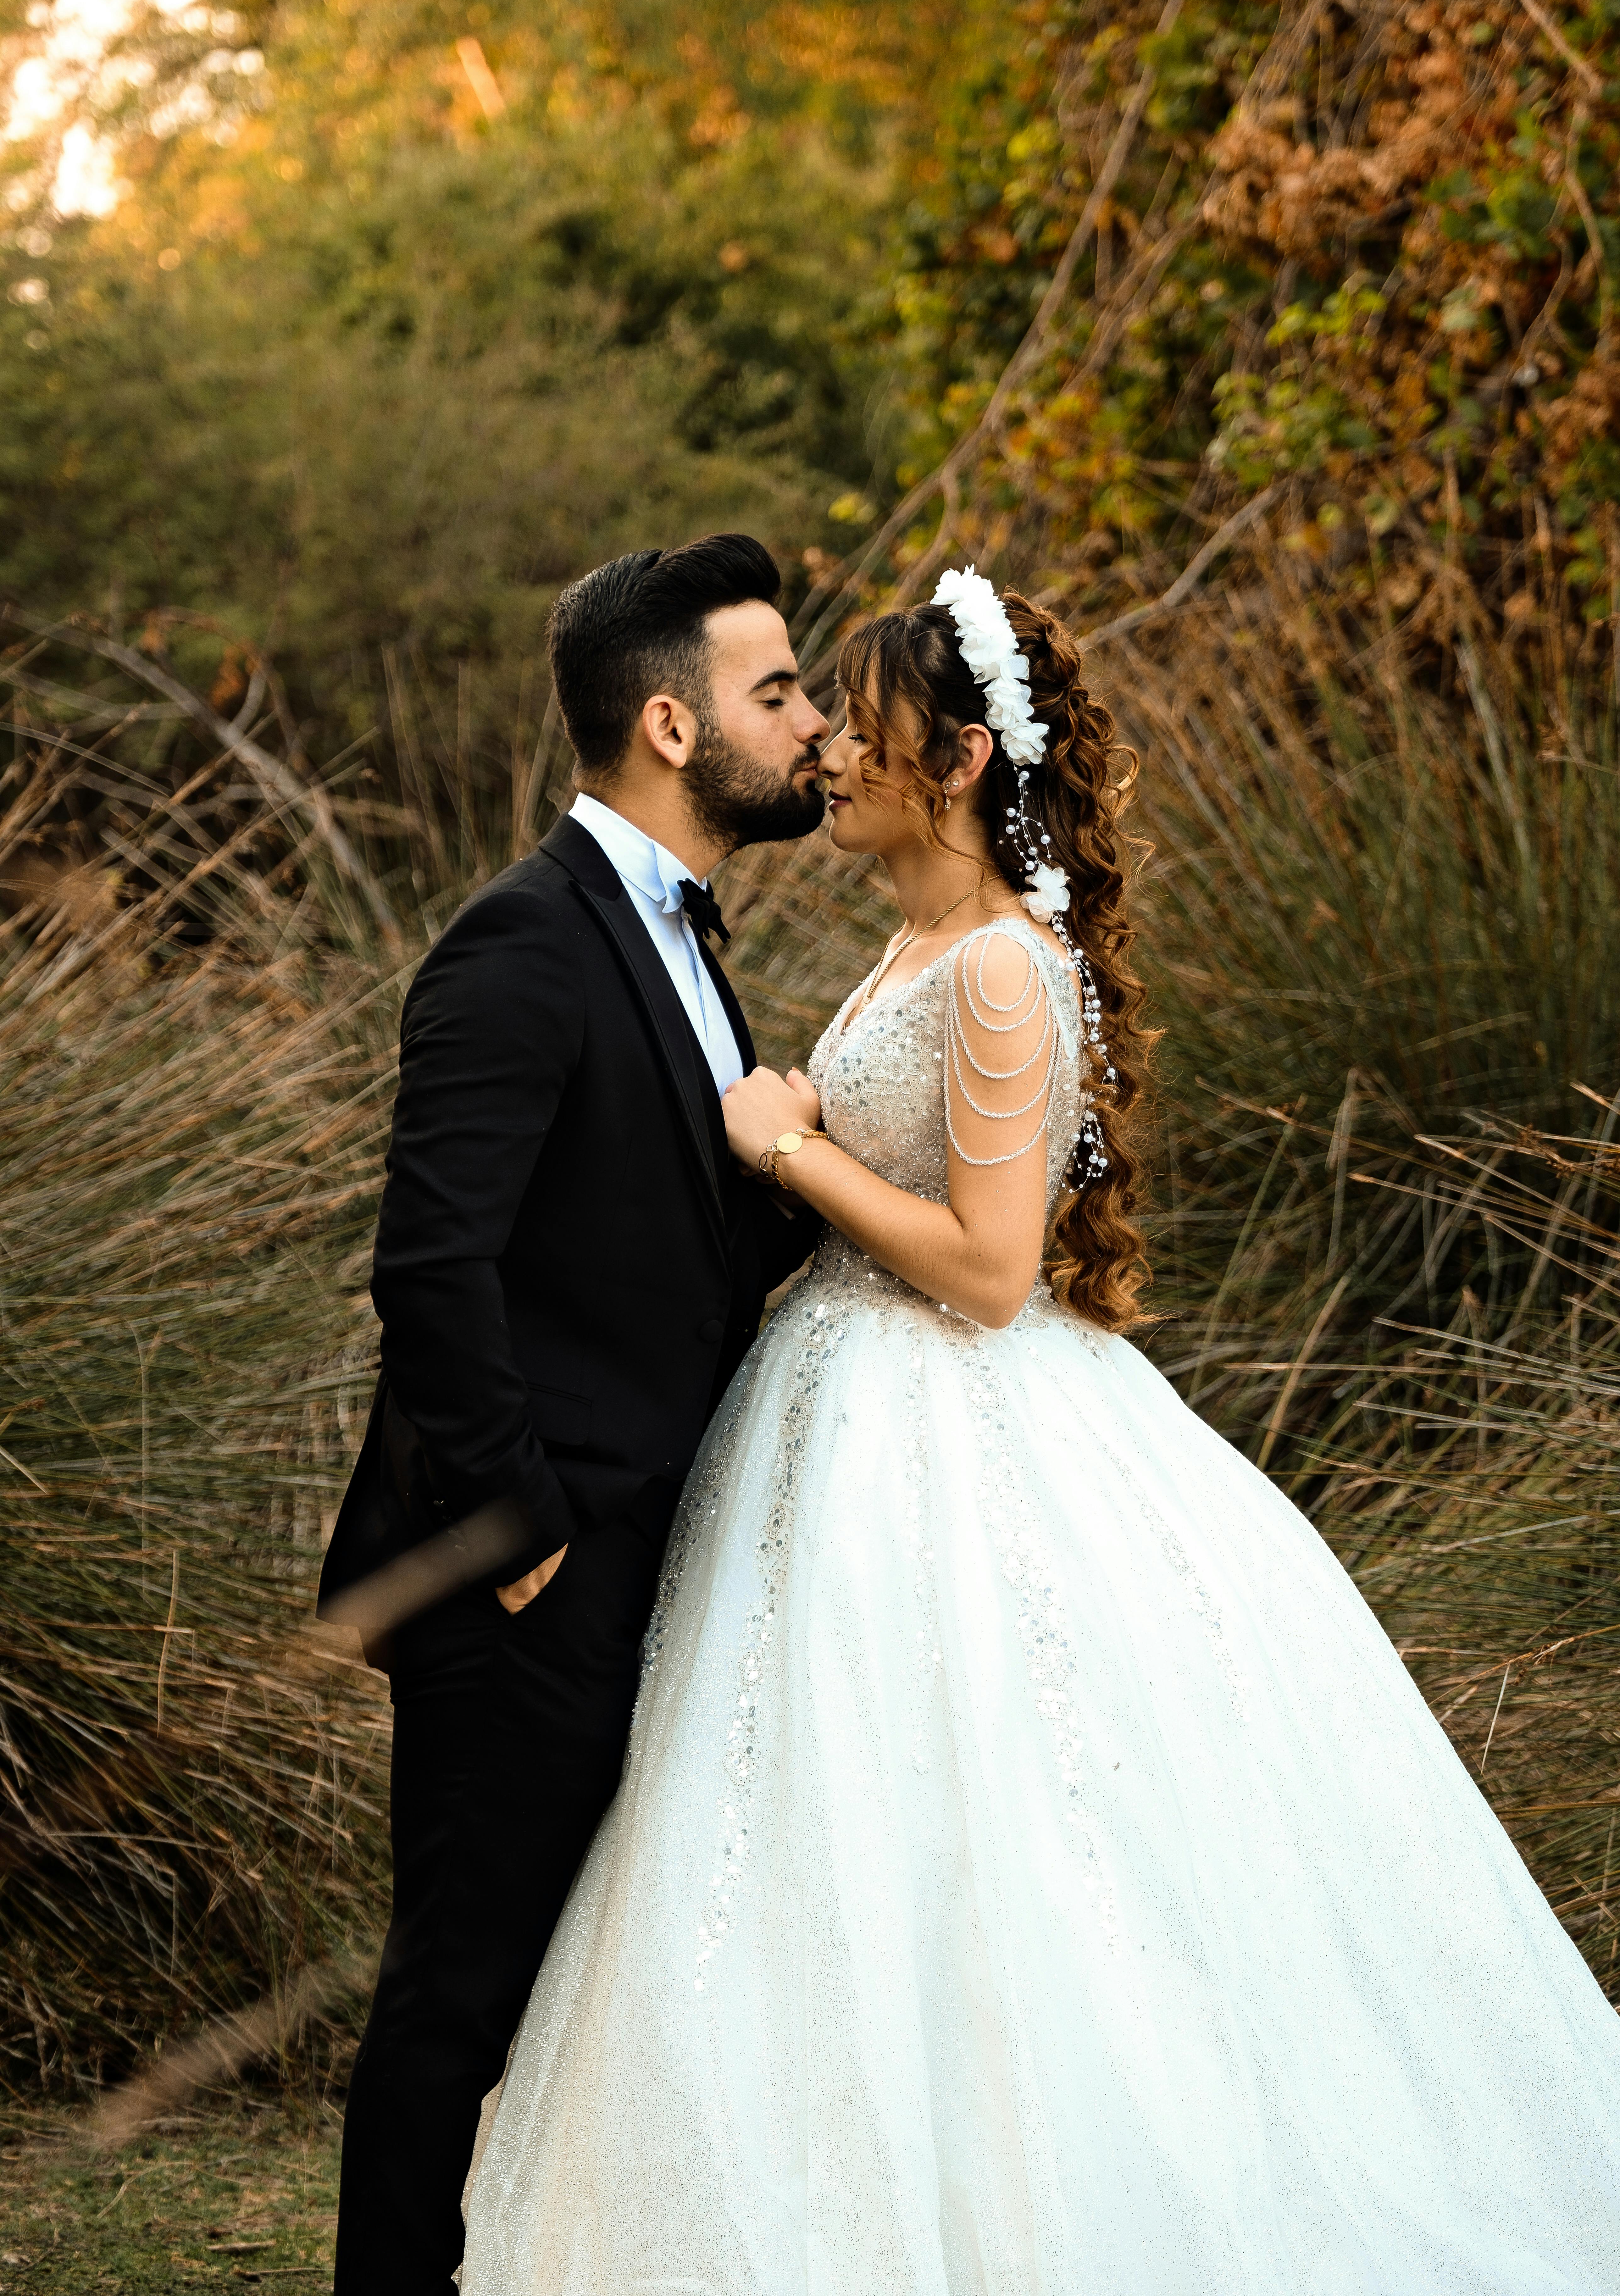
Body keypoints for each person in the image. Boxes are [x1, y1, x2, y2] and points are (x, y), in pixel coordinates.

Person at [460, 569, 1620, 2294]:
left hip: (953, 1424)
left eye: (862, 721)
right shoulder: (915, 943)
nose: (833, 750)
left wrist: (789, 1151)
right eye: (819, 713)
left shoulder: (1005, 966)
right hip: (834, 1416)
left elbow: (995, 1275)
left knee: (1004, 1812)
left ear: (963, 755)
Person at [317, 533, 829, 2296]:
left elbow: (651, 1249)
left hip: (640, 1545)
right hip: (522, 1572)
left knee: (577, 1990)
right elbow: (428, 1266)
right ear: (675, 726)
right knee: (456, 1999)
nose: (815, 722)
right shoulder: (521, 947)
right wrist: (521, 1526)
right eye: (780, 692)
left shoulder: (678, 935)